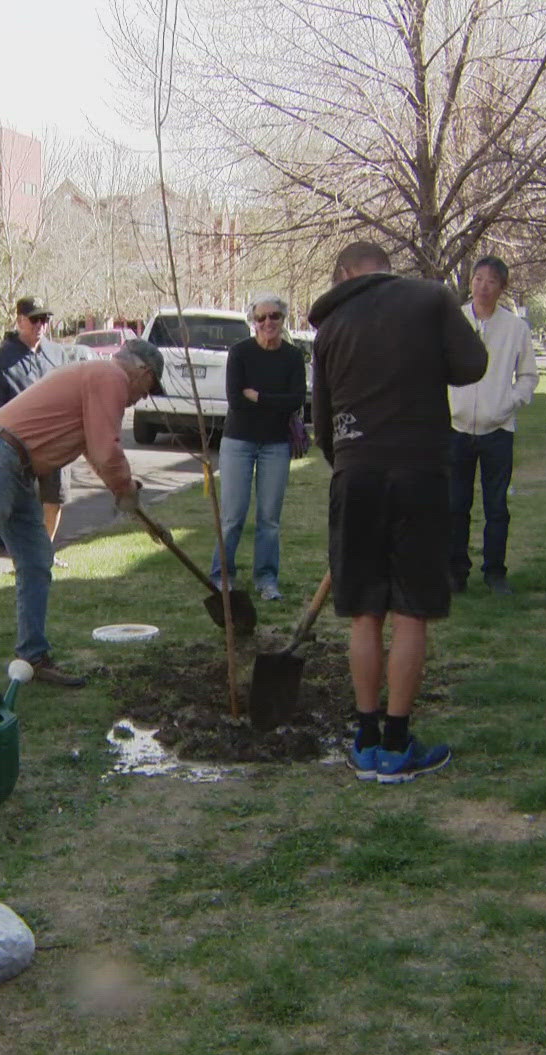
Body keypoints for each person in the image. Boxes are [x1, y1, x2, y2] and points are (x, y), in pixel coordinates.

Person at [310, 241, 487, 783]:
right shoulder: (431, 299)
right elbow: (472, 366)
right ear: (387, 268)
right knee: (411, 610)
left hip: (356, 470)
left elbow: (321, 419)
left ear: (345, 273)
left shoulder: (330, 324)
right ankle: (397, 740)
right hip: (420, 472)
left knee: (364, 610)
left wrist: (348, 461)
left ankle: (364, 740)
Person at [0, 340, 168, 708]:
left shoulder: (96, 375)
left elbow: (93, 450)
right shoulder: (111, 377)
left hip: (16, 464)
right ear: (143, 373)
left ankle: (33, 656)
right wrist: (124, 487)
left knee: (37, 560)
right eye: (147, 390)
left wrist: (124, 494)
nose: (140, 400)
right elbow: (106, 449)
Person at [207, 292, 307, 601]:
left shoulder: (293, 357)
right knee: (233, 515)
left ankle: (266, 579)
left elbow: (296, 401)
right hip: (238, 442)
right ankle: (221, 576)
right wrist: (272, 402)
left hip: (276, 445)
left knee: (269, 518)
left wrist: (260, 397)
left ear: (283, 319)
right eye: (261, 318)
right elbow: (236, 400)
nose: (267, 323)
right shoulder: (240, 353)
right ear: (253, 322)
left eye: (273, 316)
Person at [447, 255, 537, 595]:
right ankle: (455, 571)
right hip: (456, 429)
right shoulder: (454, 321)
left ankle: (495, 571)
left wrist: (510, 402)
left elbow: (528, 376)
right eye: (478, 279)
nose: (483, 286)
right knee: (456, 505)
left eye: (491, 281)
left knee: (496, 506)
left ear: (502, 287)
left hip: (497, 430)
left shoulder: (515, 328)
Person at [0, 297, 66, 545]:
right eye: (35, 320)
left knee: (54, 499)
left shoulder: (55, 353)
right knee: (22, 505)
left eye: (44, 320)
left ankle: (45, 551)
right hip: (21, 444)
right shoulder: (3, 358)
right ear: (20, 320)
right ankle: (24, 556)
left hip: (54, 442)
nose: (41, 325)